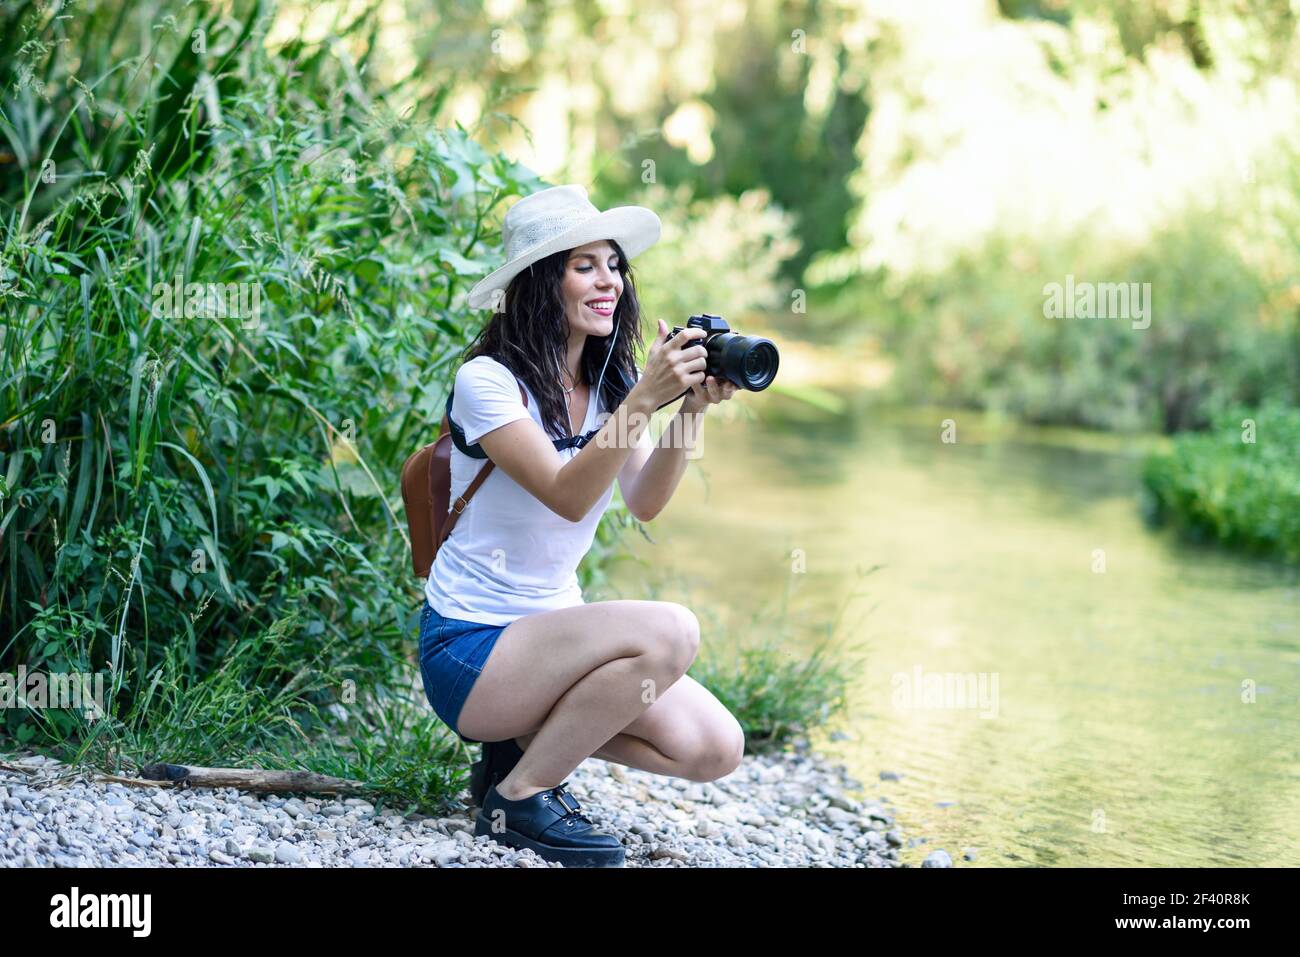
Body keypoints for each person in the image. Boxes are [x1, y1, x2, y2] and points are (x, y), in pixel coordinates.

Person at [418, 184, 744, 867]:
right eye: (585, 265)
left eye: (615, 265)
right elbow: (567, 496)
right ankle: (521, 795)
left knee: (716, 746)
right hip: (472, 651)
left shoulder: (608, 381)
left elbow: (646, 500)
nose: (610, 283)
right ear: (543, 280)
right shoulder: (488, 381)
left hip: (552, 647)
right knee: (673, 629)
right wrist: (644, 398)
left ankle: (519, 750)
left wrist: (687, 409)